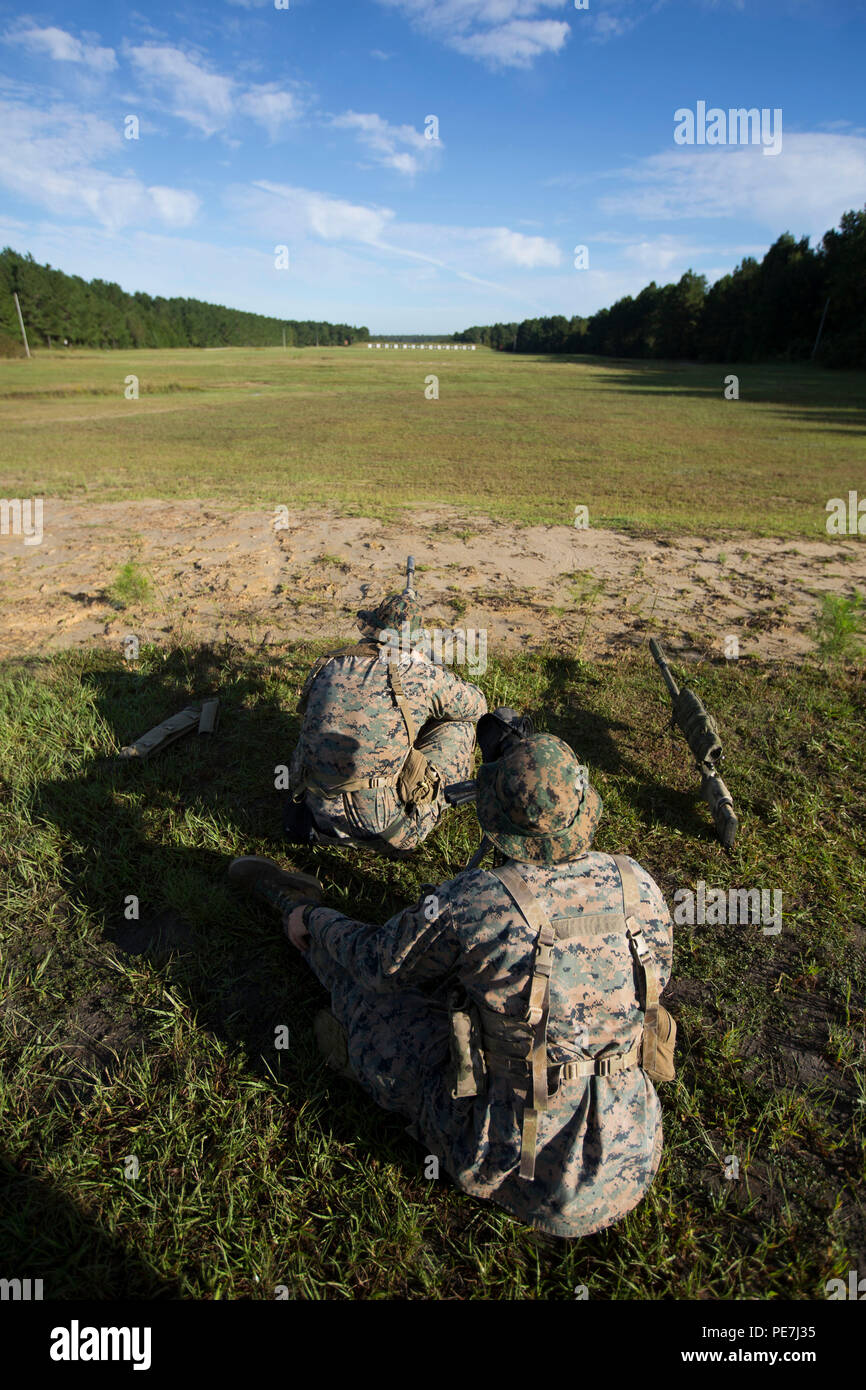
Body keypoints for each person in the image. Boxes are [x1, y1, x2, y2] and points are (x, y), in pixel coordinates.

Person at [230, 731, 676, 1239]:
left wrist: (315, 918)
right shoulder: (639, 886)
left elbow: (376, 961)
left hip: (516, 1166)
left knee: (369, 999)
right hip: (633, 1156)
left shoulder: (478, 900)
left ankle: (293, 913)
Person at [283, 587, 487, 855]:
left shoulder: (328, 663)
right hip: (386, 831)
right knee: (459, 727)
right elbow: (477, 706)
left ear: (372, 628)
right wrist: (430, 668)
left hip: (314, 814)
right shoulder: (418, 673)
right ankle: (425, 811)